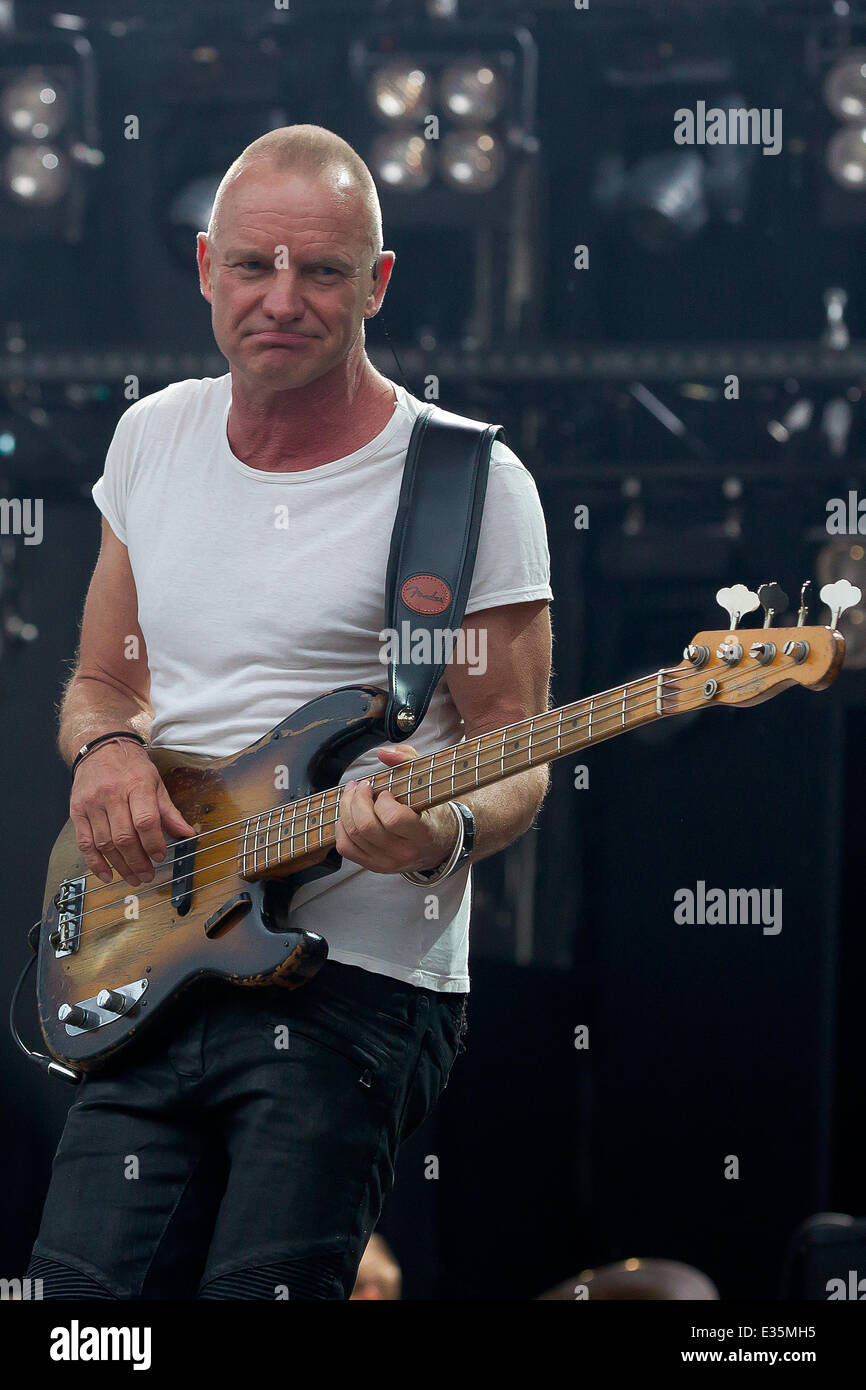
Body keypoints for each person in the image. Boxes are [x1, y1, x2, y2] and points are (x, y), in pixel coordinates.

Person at [27, 124, 553, 1300]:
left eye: (320, 271)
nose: (282, 297)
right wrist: (107, 746)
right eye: (253, 266)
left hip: (355, 981)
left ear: (375, 284)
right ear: (207, 265)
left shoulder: (466, 484)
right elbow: (106, 678)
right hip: (152, 952)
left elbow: (515, 751)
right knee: (77, 1316)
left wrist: (444, 833)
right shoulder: (152, 437)